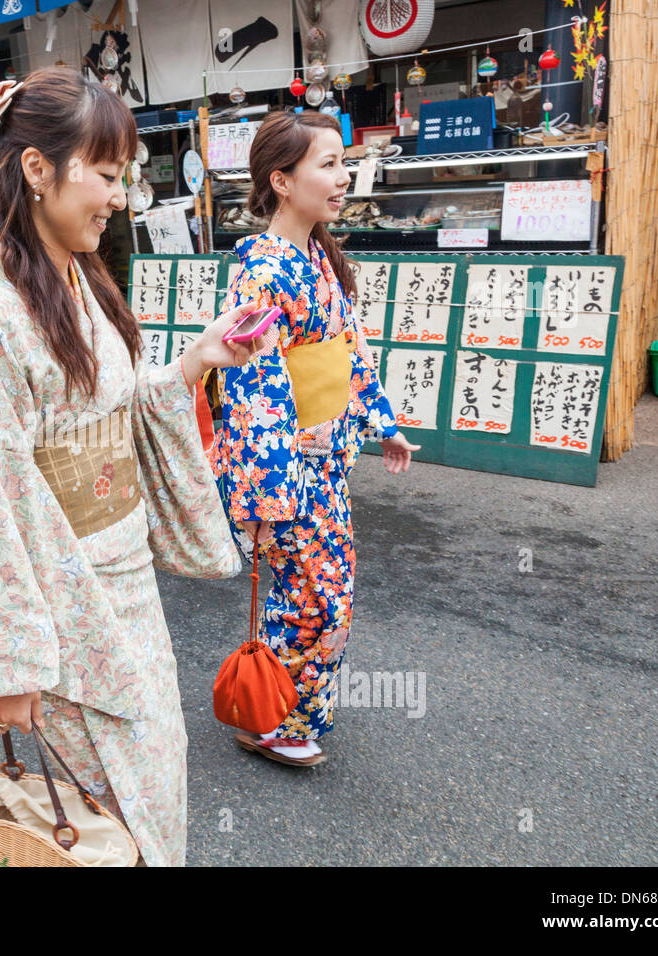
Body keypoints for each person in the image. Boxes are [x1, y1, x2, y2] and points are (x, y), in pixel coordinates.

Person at [0, 68, 259, 866]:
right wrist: (7, 665)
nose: (119, 196)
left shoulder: (79, 278)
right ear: (37, 169)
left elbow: (110, 405)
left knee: (147, 781)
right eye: (107, 176)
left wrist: (194, 365)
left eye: (124, 178)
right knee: (96, 817)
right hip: (60, 597)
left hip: (125, 581)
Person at [209, 111, 420, 768]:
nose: (343, 174)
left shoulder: (318, 259)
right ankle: (268, 720)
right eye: (326, 164)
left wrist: (382, 421)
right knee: (313, 597)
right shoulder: (263, 271)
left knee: (329, 592)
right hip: (288, 472)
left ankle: (292, 711)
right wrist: (268, 498)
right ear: (281, 179)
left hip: (324, 464)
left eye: (342, 160)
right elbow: (254, 387)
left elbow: (351, 355)